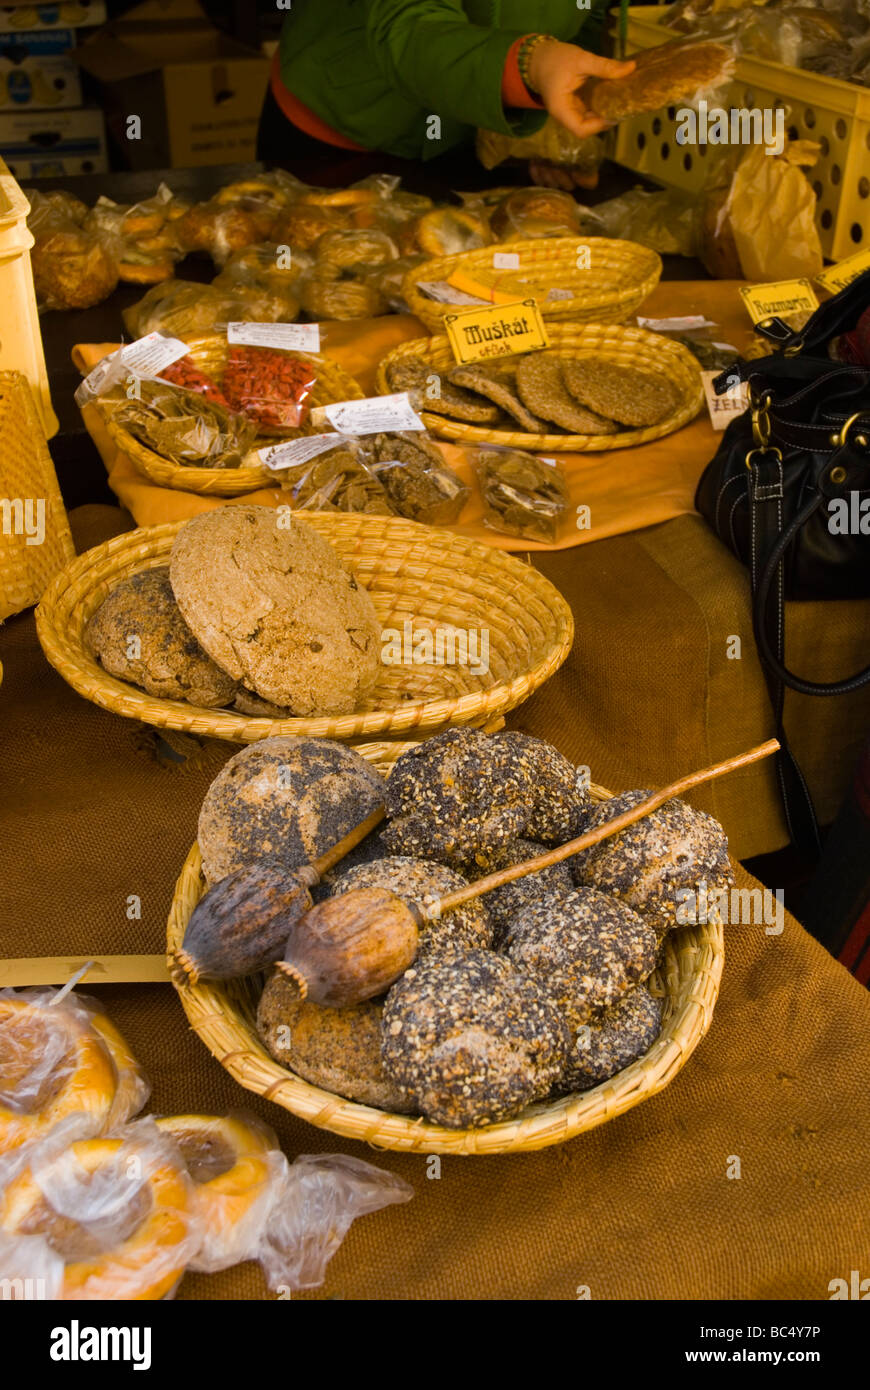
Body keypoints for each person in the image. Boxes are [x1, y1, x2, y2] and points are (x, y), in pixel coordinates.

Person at [257, 0, 635, 192]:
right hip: (346, 124)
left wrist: (556, 119)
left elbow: (593, 14)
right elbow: (408, 27)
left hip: (482, 132)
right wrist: (531, 65)